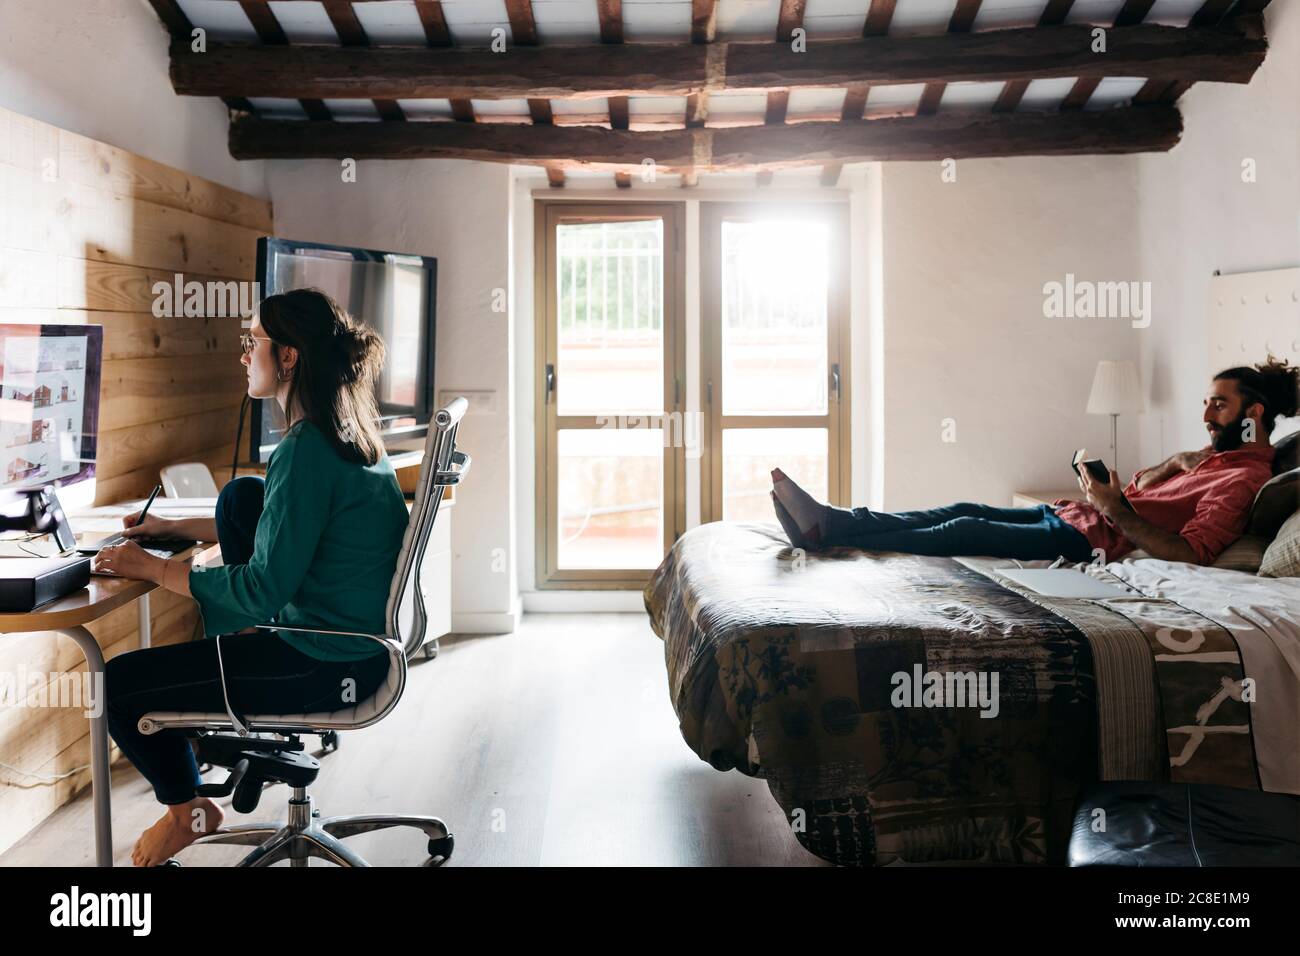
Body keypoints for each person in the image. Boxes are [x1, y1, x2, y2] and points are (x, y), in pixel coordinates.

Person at [94, 289, 410, 866]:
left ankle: (189, 811)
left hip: (322, 664)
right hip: (355, 651)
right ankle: (232, 660)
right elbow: (281, 520)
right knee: (242, 498)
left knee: (118, 685)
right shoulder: (348, 433)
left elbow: (264, 588)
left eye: (252, 343)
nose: (243, 355)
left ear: (287, 357)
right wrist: (171, 525)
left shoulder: (305, 451)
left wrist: (155, 569)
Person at [770, 358, 1299, 565]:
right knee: (959, 507)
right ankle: (836, 521)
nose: (1206, 412)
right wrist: (1161, 470)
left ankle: (829, 534)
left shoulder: (1245, 478)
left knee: (963, 528)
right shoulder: (1211, 457)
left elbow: (1192, 553)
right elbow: (1145, 495)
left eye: (1219, 404)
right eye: (1207, 400)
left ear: (1254, 412)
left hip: (1089, 541)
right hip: (1077, 516)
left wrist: (1116, 510)